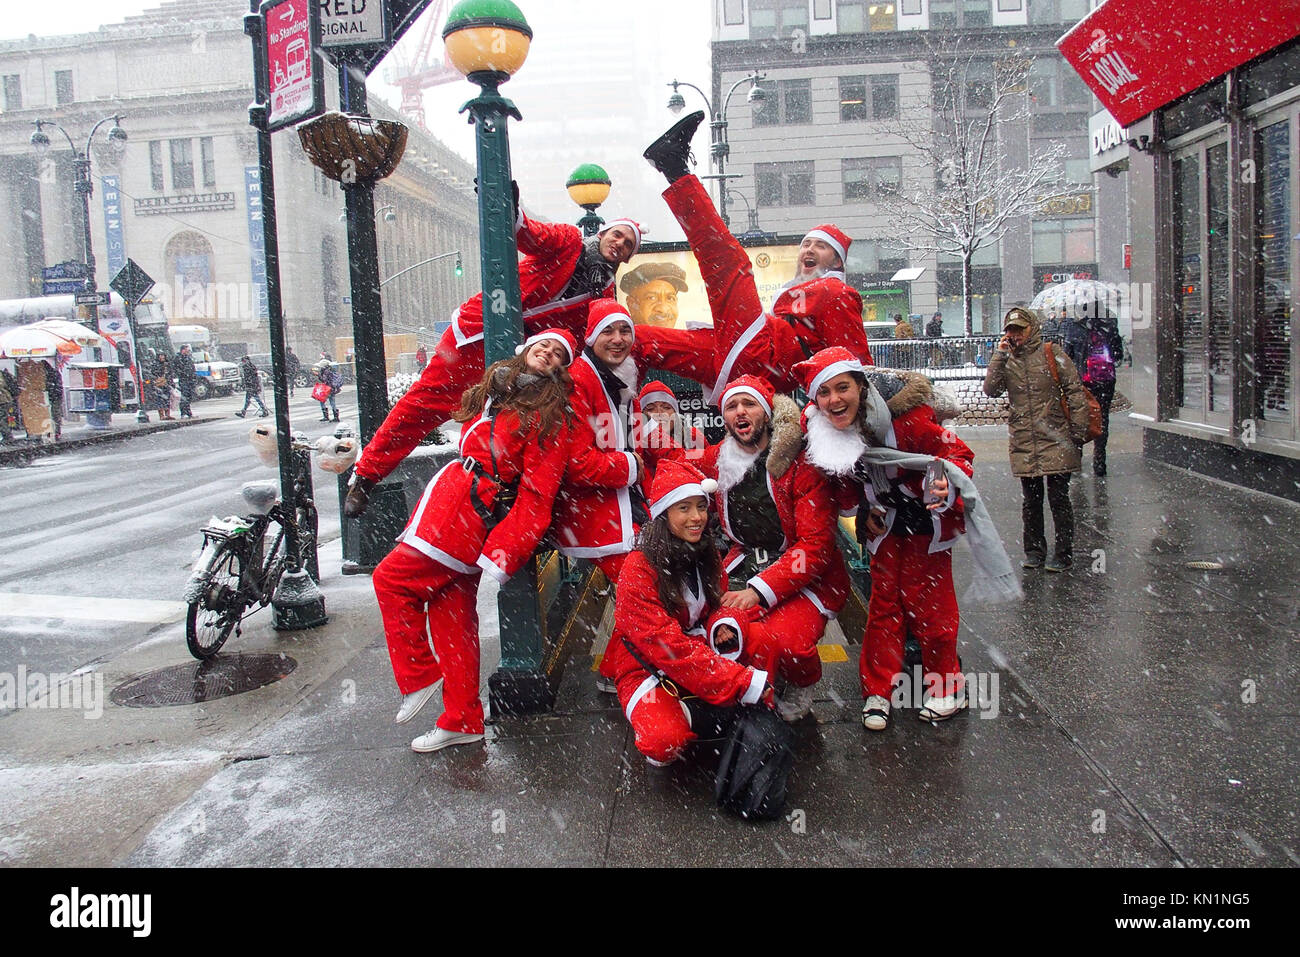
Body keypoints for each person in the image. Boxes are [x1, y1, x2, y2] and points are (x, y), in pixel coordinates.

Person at [371, 329, 578, 754]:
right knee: (452, 619)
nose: (549, 354)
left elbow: (538, 498)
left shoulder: (549, 418)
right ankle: (462, 718)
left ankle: (418, 674)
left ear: (561, 370)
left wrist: (504, 551)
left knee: (390, 581)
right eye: (544, 345)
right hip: (454, 504)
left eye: (559, 354)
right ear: (527, 350)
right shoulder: (498, 391)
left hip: (463, 513)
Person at [348, 201, 644, 489]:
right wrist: (509, 208)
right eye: (617, 234)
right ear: (603, 233)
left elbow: (584, 340)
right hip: (478, 331)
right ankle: (366, 474)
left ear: (628, 257)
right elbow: (531, 235)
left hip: (516, 357)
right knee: (423, 405)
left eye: (628, 243)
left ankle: (473, 497)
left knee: (488, 422)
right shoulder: (568, 241)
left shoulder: (603, 293)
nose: (620, 243)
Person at [797, 347, 992, 731]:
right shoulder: (822, 429)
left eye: (843, 388)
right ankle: (878, 689)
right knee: (884, 605)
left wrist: (943, 482)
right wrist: (861, 509)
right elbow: (844, 479)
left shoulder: (910, 420)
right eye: (825, 393)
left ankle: (949, 686)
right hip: (885, 522)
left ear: (861, 387)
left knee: (930, 605)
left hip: (927, 518)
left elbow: (956, 452)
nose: (835, 400)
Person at [643, 111, 871, 400]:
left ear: (837, 261)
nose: (809, 250)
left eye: (821, 246)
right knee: (640, 339)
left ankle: (673, 165)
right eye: (806, 244)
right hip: (748, 359)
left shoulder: (836, 291)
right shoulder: (797, 291)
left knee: (728, 263)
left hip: (762, 355)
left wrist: (867, 404)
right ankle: (580, 348)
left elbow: (854, 360)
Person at [681, 374, 850, 722]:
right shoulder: (716, 459)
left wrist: (759, 592)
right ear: (724, 418)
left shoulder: (800, 463)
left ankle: (802, 677)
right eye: (731, 406)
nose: (740, 412)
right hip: (742, 563)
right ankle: (747, 688)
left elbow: (815, 546)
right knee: (717, 629)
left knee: (785, 642)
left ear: (767, 413)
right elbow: (674, 467)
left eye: (749, 404)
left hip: (805, 572)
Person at [602, 458, 774, 767]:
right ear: (663, 515)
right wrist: (737, 681)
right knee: (663, 741)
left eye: (701, 507)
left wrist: (724, 624)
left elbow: (716, 606)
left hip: (693, 652)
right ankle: (691, 714)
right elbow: (664, 645)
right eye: (684, 508)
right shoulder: (638, 568)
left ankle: (701, 710)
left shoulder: (704, 551)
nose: (697, 518)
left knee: (760, 636)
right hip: (647, 666)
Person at [983, 307, 1090, 572]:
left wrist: (1077, 433)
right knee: (1031, 501)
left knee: (1058, 498)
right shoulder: (1007, 359)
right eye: (1010, 330)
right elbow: (991, 390)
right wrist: (1000, 354)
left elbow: (1075, 394)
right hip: (1024, 439)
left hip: (1056, 438)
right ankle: (1034, 552)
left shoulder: (1052, 353)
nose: (1015, 335)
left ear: (1032, 328)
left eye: (1020, 329)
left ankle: (1063, 554)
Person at [1068, 313, 1123, 477]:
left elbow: (1067, 356)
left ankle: (1077, 460)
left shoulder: (1075, 328)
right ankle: (1099, 462)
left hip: (1083, 382)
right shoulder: (1110, 327)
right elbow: (1118, 354)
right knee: (1103, 418)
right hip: (1105, 381)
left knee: (1080, 418)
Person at [620, 261, 688, 328]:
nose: (663, 309)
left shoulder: (683, 338)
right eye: (651, 298)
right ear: (631, 304)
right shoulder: (621, 338)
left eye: (670, 298)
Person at [313, 356, 342, 422]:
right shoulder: (330, 370)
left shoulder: (325, 371)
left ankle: (326, 416)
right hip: (332, 389)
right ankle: (336, 416)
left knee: (322, 401)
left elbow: (324, 380)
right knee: (332, 402)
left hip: (327, 389)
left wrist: (318, 375)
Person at [41, 358, 64, 437]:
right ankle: (55, 431)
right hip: (55, 397)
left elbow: (56, 386)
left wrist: (49, 389)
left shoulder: (49, 374)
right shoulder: (54, 373)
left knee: (53, 414)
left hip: (52, 397)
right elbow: (59, 386)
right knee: (55, 414)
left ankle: (53, 431)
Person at [174, 345, 197, 419]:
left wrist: (193, 376)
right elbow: (177, 369)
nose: (188, 352)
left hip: (190, 380)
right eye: (186, 350)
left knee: (189, 396)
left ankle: (188, 412)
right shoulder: (178, 358)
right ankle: (183, 413)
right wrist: (184, 374)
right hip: (184, 380)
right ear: (182, 350)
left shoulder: (188, 358)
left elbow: (192, 368)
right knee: (184, 397)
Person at [0, 366, 16, 443]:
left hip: (3, 400)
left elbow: (1, 385)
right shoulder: (2, 373)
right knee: (3, 419)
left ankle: (8, 437)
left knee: (2, 419)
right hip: (5, 400)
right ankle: (7, 437)